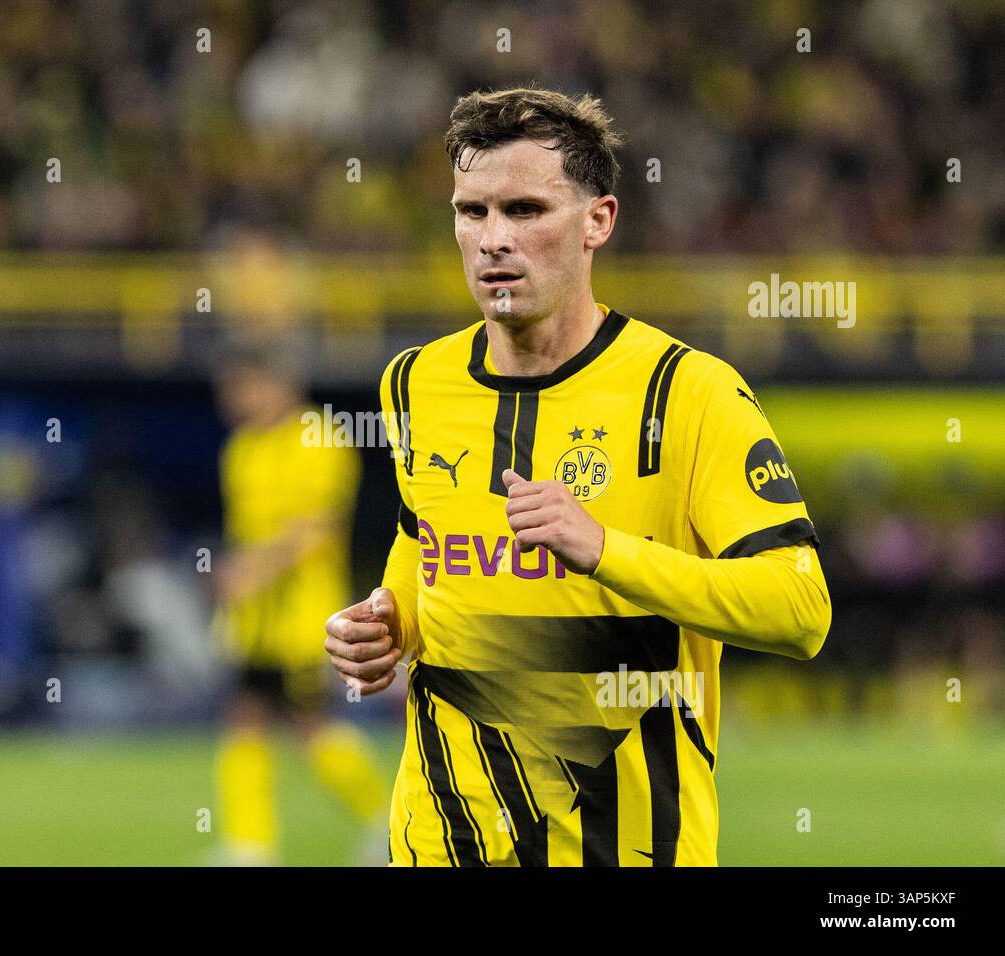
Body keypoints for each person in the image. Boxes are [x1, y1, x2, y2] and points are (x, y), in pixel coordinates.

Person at [324, 87, 831, 866]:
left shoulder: (688, 393)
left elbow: (800, 610)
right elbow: (425, 557)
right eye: (472, 211)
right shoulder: (412, 383)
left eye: (526, 211)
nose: (493, 239)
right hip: (437, 841)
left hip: (625, 845)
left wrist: (607, 550)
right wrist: (388, 628)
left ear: (599, 221)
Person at [211, 341, 387, 865]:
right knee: (246, 719)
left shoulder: (320, 438)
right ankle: (250, 846)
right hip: (255, 620)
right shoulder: (241, 448)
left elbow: (318, 528)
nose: (236, 402)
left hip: (303, 615)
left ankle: (386, 817)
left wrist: (250, 571)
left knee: (310, 727)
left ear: (278, 385)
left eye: (244, 389)